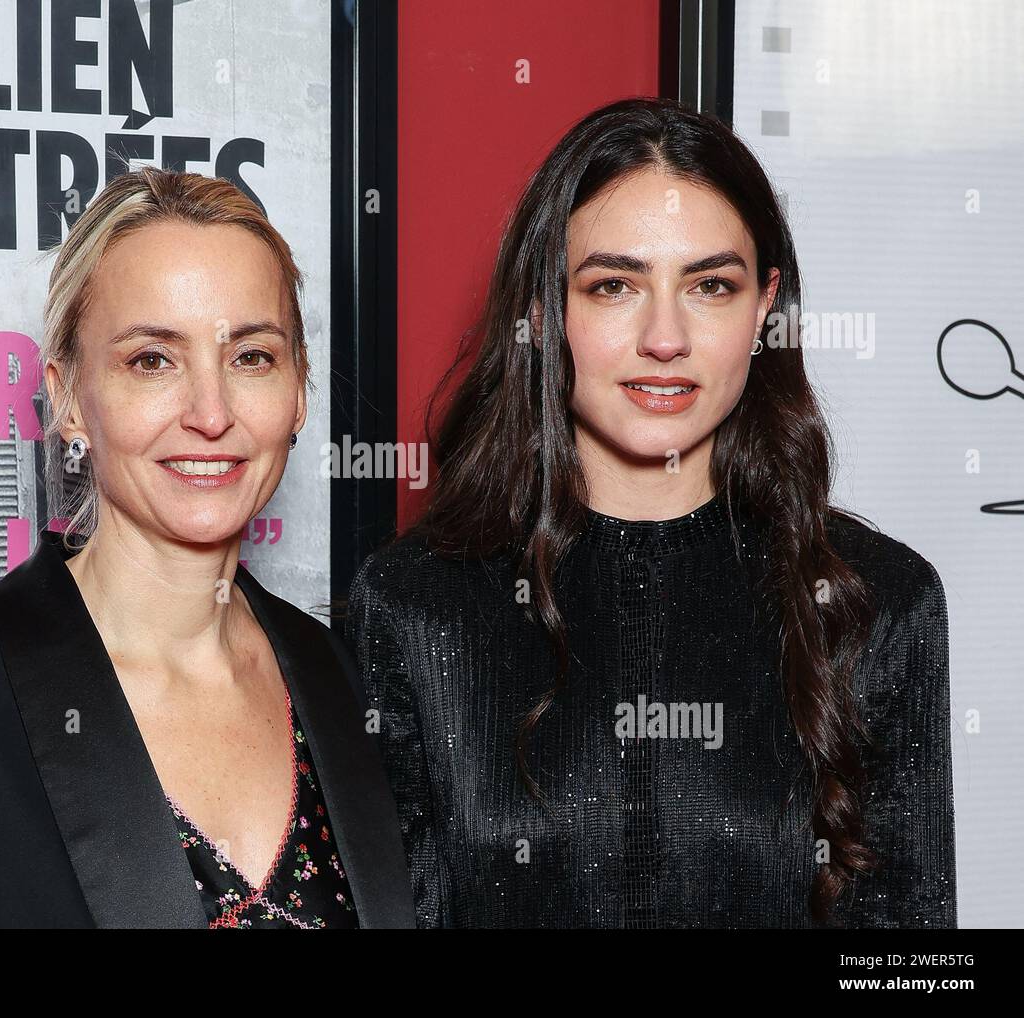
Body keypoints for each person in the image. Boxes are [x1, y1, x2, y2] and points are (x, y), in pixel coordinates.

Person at [345, 97, 956, 928]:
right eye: (613, 285)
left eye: (709, 285)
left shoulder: (878, 602)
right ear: (541, 310)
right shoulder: (414, 604)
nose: (664, 337)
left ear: (763, 310)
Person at [0, 167, 414, 929]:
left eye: (250, 356)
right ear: (67, 399)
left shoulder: (349, 676)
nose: (211, 413)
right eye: (151, 359)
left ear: (298, 393)